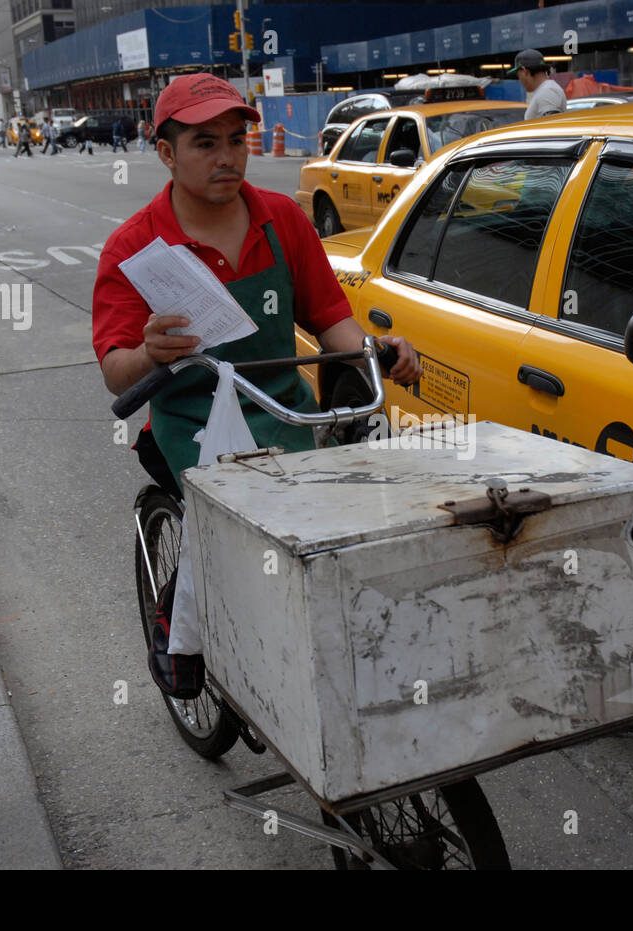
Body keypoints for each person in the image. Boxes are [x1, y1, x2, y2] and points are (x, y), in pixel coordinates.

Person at [92, 72, 421, 690]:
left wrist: (377, 354)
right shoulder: (134, 247)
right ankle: (180, 626)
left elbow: (330, 320)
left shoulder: (282, 221)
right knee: (229, 537)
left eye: (237, 140)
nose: (227, 157)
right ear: (166, 153)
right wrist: (148, 352)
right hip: (193, 429)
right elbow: (115, 369)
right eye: (205, 143)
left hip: (286, 413)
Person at [510, 48, 567, 120]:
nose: (519, 79)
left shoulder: (547, 91)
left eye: (519, 75)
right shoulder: (545, 90)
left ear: (525, 71)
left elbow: (551, 126)